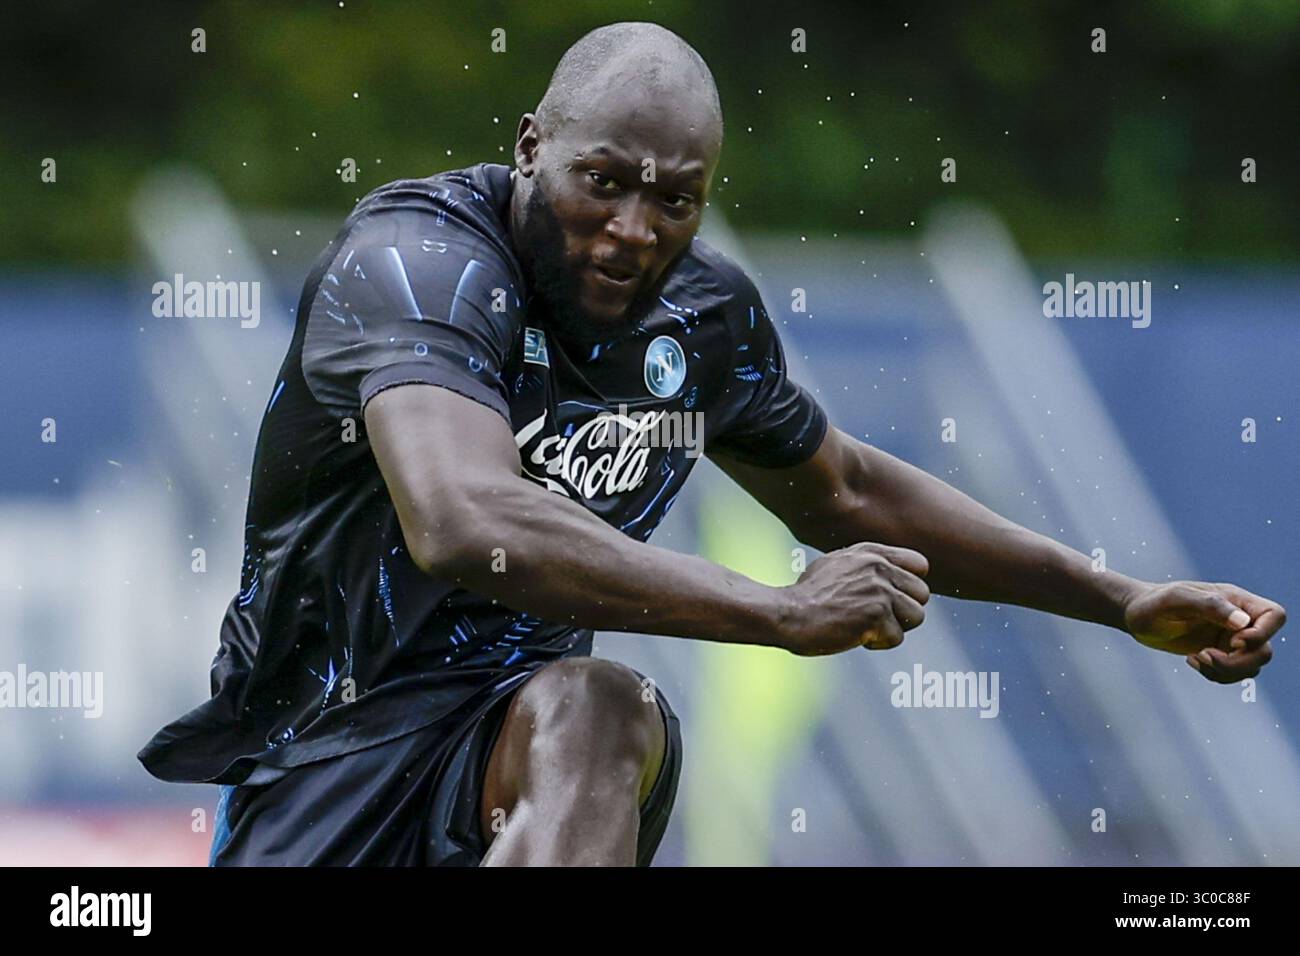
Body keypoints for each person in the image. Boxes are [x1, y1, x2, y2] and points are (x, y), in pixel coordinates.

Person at [138, 21, 1284, 867]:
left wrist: (1120, 596)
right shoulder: (419, 264)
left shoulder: (702, 322)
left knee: (600, 708)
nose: (633, 231)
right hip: (320, 768)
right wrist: (777, 611)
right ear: (532, 145)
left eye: (675, 201)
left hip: (506, 756)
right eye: (603, 182)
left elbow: (843, 488)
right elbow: (463, 522)